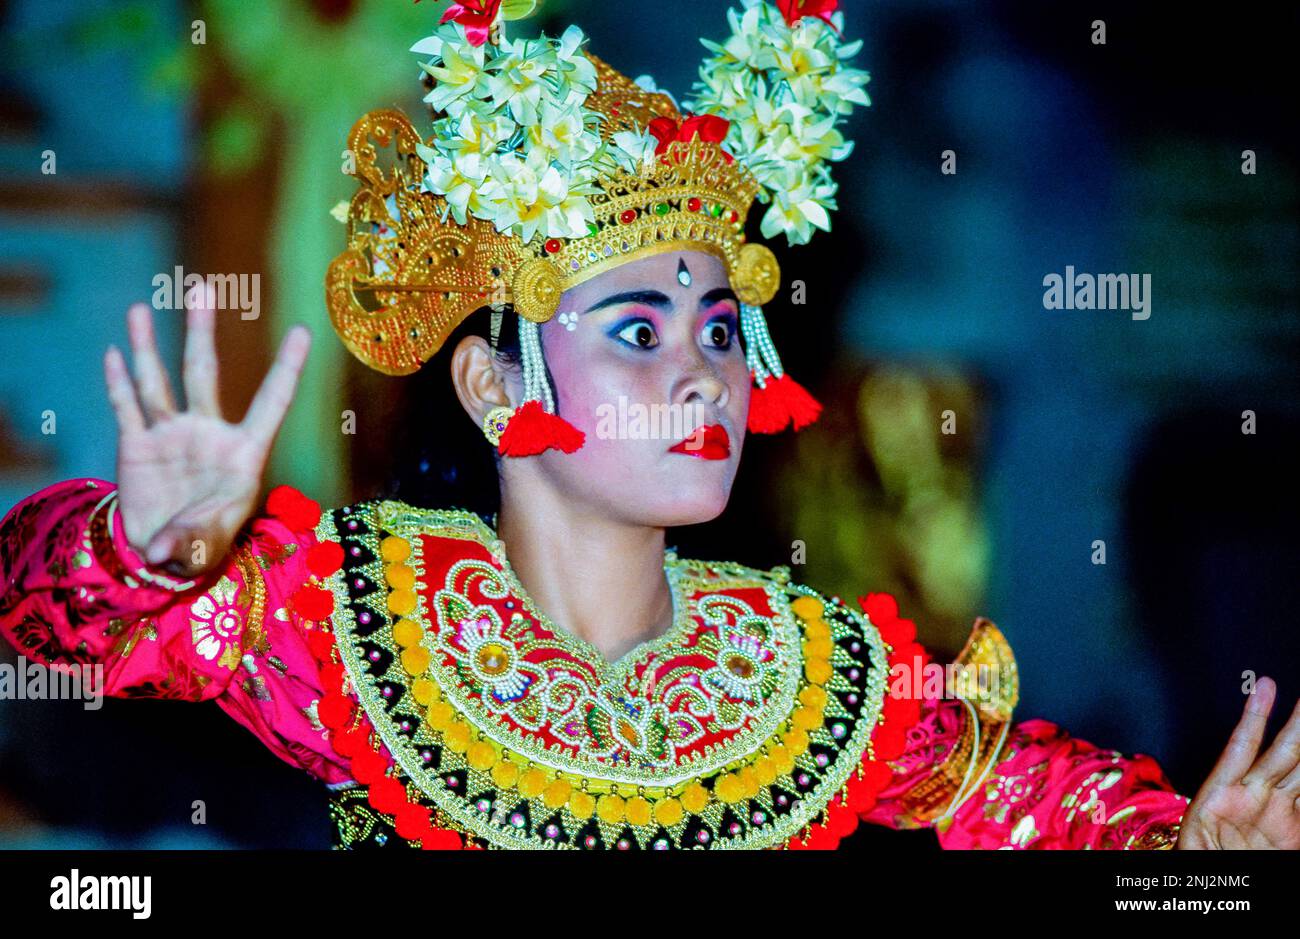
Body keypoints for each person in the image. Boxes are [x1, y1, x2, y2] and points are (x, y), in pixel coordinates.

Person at [2, 0, 1297, 851]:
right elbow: (36, 622)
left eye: (724, 331)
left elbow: (1038, 805)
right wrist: (139, 549)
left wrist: (1190, 860)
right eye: (638, 330)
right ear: (500, 391)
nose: (703, 374)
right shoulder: (344, 620)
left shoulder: (816, 670)